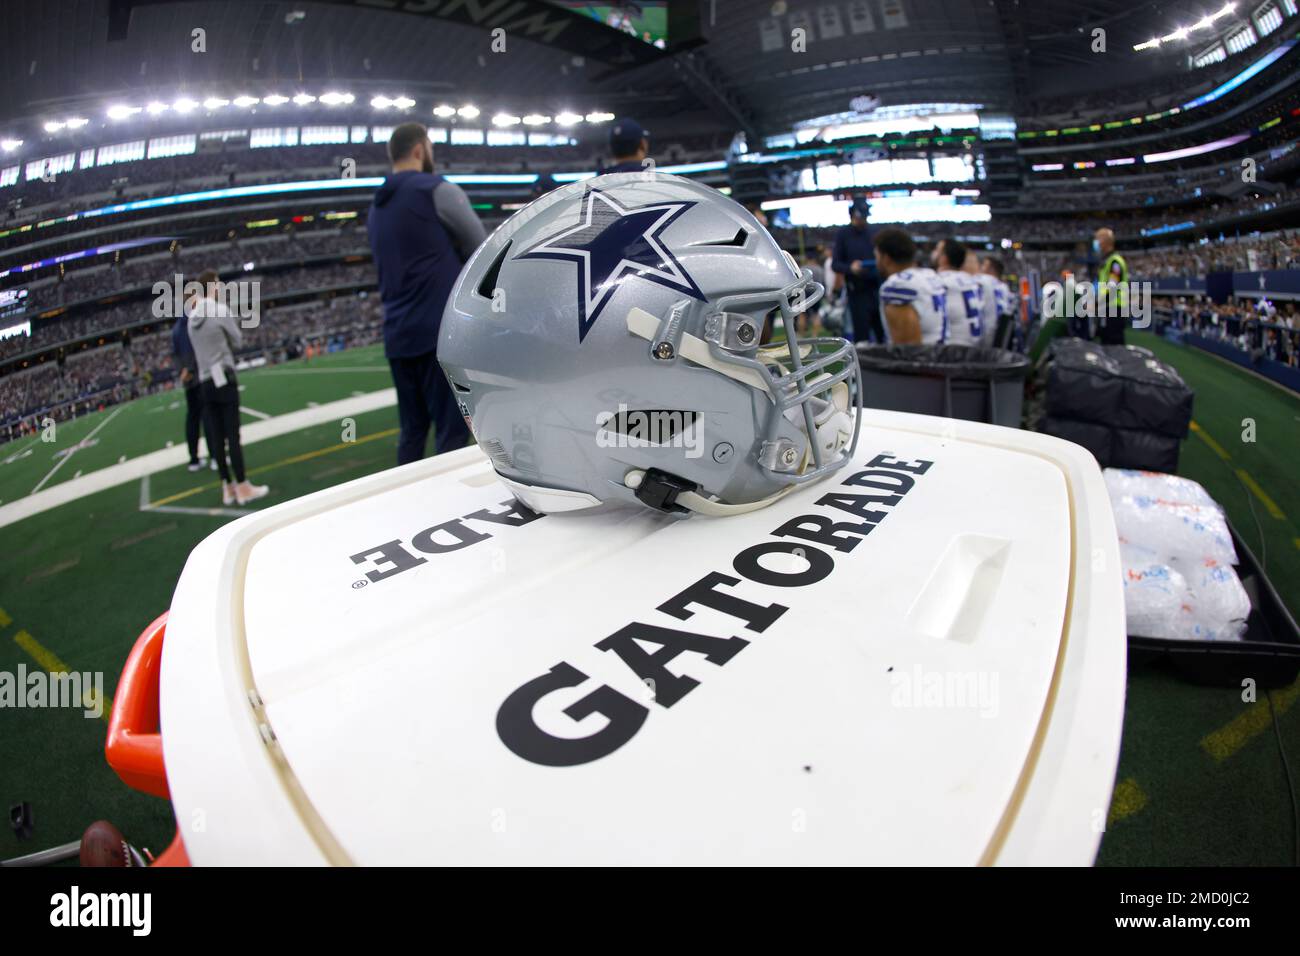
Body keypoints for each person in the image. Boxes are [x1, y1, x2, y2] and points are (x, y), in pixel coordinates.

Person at [369, 122, 487, 465]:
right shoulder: (436, 190)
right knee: (451, 432)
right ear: (420, 150)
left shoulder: (375, 208)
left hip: (397, 336)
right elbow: (481, 249)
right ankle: (446, 512)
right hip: (437, 334)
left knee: (412, 432)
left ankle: (409, 513)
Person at [187, 269, 269, 506]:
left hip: (205, 381)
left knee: (216, 437)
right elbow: (237, 340)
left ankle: (227, 487)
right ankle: (243, 486)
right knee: (232, 435)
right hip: (223, 374)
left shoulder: (192, 319)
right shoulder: (219, 310)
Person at [873, 227, 946, 345]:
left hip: (923, 360)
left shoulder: (897, 286)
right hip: (940, 354)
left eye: (876, 256)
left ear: (885, 258)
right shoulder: (930, 275)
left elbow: (908, 351)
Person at [831, 201, 883, 344]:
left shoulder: (873, 231)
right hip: (857, 290)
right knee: (862, 335)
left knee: (882, 333)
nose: (863, 221)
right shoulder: (843, 234)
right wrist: (851, 268)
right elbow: (836, 264)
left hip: (876, 288)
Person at [170, 309, 215, 472]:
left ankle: (194, 459)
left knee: (192, 418)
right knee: (208, 416)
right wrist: (189, 369)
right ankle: (215, 457)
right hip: (199, 376)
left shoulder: (175, 328)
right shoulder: (192, 323)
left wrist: (182, 371)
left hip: (188, 380)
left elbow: (174, 354)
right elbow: (195, 349)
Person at [932, 238, 983, 346]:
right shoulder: (972, 281)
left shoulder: (939, 282)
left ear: (944, 258)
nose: (933, 253)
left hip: (953, 352)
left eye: (937, 250)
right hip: (975, 348)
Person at [1094, 227, 1128, 345]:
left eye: (1097, 239)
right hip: (1108, 309)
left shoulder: (1115, 262)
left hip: (1114, 310)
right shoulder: (1106, 261)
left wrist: (1096, 303)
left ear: (1105, 241)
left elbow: (1113, 289)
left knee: (1114, 346)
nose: (1096, 243)